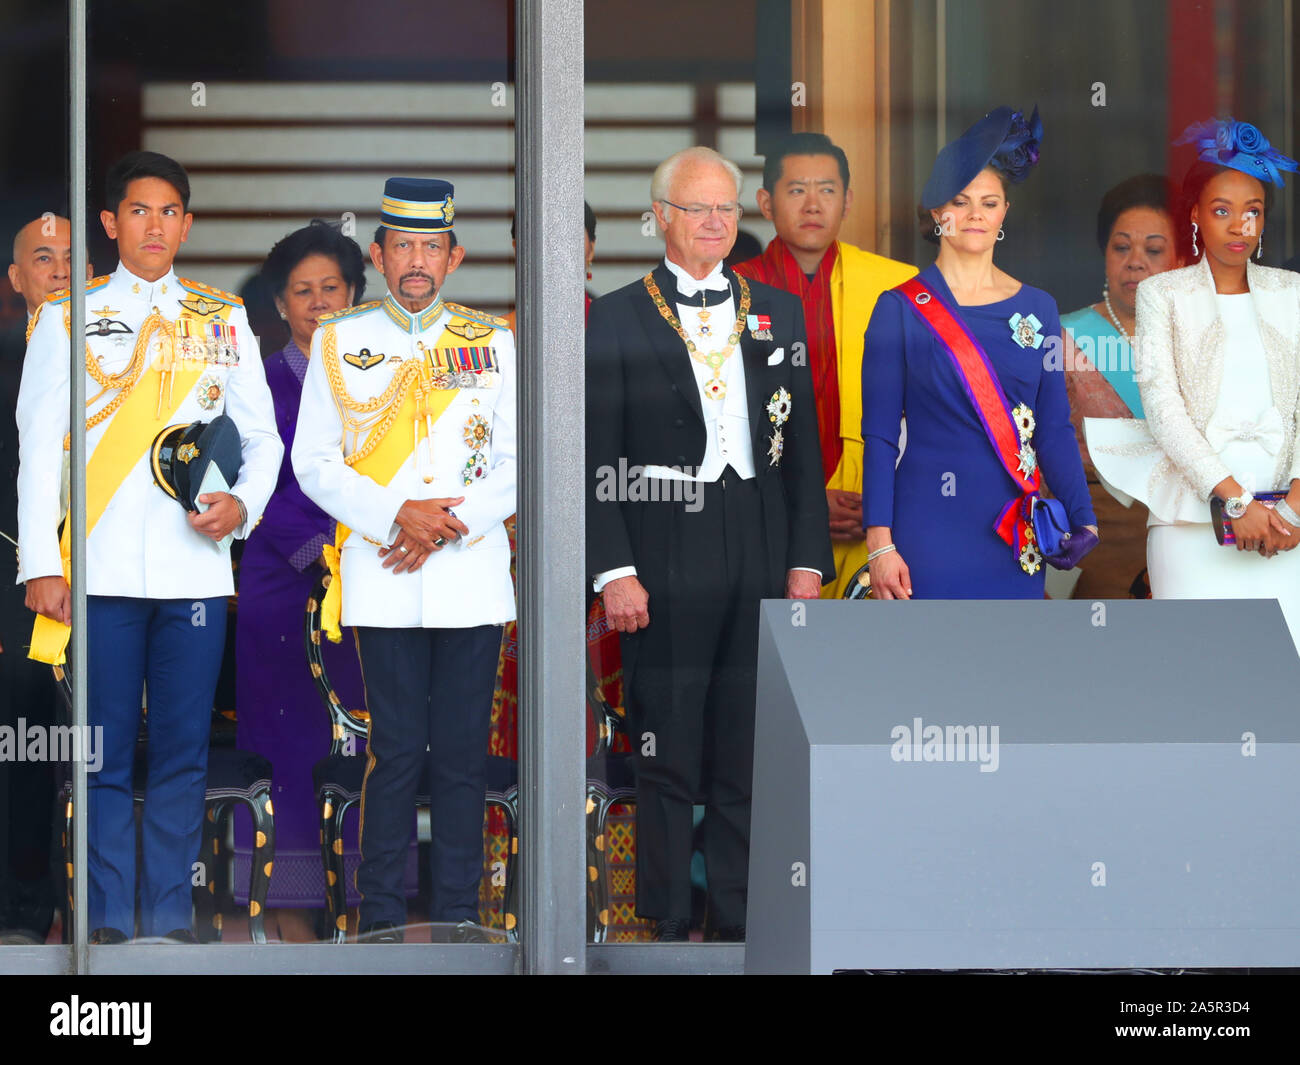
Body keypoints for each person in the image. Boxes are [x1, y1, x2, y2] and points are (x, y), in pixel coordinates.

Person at [16, 150, 282, 943]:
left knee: (180, 757)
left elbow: (265, 441)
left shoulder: (223, 317)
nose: (155, 225)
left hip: (190, 572)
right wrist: (43, 563)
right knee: (98, 760)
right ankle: (104, 930)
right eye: (139, 210)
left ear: (187, 224)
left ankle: (164, 927)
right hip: (94, 573)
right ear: (110, 223)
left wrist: (239, 509)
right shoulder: (65, 317)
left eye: (169, 212)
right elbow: (40, 447)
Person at [586, 145, 832, 941]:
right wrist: (615, 569)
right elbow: (597, 453)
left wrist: (805, 558)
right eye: (698, 209)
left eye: (727, 207)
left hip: (757, 533)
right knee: (665, 743)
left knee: (746, 744)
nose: (716, 222)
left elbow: (801, 449)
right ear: (660, 217)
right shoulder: (620, 313)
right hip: (663, 541)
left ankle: (736, 924)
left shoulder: (777, 311)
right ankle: (660, 925)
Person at [293, 178, 517, 942]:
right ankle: (382, 920)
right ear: (379, 255)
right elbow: (314, 462)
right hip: (384, 578)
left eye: (431, 247)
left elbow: (519, 464)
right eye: (402, 247)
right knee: (392, 754)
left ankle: (458, 916)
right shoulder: (338, 338)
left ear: (453, 256)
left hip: (469, 578)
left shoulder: (494, 340)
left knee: (460, 756)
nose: (416, 261)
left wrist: (439, 525)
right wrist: (398, 515)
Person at [862, 107, 1097, 600]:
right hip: (926, 525)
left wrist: (1084, 519)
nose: (974, 215)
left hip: (1014, 528)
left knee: (1008, 670)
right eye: (960, 201)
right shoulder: (898, 308)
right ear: (936, 212)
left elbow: (1054, 427)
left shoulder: (1040, 307)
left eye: (989, 203)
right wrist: (880, 545)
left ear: (1004, 213)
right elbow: (880, 437)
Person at [1087, 119, 1300, 652]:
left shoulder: (1292, 292)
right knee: (1196, 678)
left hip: (1288, 529)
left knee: (1279, 691)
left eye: (1252, 211)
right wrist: (1234, 502)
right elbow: (1163, 408)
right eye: (1222, 210)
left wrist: (1292, 510)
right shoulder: (1164, 293)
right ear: (1197, 217)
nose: (1239, 225)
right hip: (1191, 523)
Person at [233, 221, 387, 941]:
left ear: (356, 294)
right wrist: (323, 557)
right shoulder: (259, 380)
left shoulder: (386, 371)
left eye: (333, 288)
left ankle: (361, 904)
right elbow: (266, 485)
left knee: (363, 746)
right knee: (290, 746)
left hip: (373, 581)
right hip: (285, 584)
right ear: (280, 301)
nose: (319, 301)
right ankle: (289, 907)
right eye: (304, 290)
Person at [735, 132, 916, 598]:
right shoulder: (732, 291)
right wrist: (807, 506)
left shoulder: (898, 286)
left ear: (848, 200)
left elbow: (926, 412)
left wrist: (881, 507)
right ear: (765, 202)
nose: (813, 205)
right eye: (797, 190)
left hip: (872, 513)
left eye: (827, 190)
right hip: (764, 518)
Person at [0, 212, 85, 944]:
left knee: (93, 745)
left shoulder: (119, 356)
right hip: (17, 579)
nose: (59, 269)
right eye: (43, 258)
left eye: (70, 258)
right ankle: (25, 908)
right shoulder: (7, 358)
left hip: (109, 574)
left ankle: (92, 910)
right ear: (17, 278)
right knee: (24, 739)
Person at [1061, 175, 1184, 599]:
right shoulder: (1065, 339)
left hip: (1187, 535)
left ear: (1181, 257)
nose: (1135, 261)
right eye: (1121, 247)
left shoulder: (1203, 340)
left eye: (1153, 249)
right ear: (1104, 254)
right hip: (1094, 537)